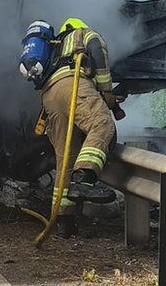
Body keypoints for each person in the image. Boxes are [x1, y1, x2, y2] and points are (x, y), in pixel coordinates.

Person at [39, 17, 118, 238]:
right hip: (73, 83)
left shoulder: (55, 47)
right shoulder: (84, 33)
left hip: (49, 96)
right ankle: (84, 179)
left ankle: (65, 221)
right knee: (101, 125)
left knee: (66, 156)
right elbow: (97, 50)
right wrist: (107, 91)